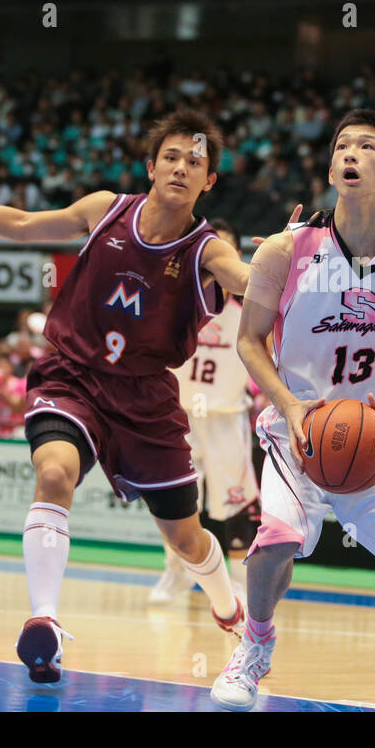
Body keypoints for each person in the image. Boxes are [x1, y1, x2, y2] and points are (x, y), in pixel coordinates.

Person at [0, 110, 282, 684]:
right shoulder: (105, 208)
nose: (181, 168)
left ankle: (226, 604)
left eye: (195, 162)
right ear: (150, 165)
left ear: (209, 180)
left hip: (146, 401)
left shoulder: (205, 249)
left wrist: (286, 258)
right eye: (171, 156)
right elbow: (18, 224)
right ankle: (44, 619)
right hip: (72, 378)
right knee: (55, 474)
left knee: (186, 537)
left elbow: (244, 279)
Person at [209, 109, 375, 712]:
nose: (349, 153)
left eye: (366, 146)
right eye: (342, 144)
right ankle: (254, 648)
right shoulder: (287, 251)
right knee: (274, 542)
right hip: (298, 431)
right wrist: (288, 405)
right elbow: (249, 340)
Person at [154, 219, 260, 603]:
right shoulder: (175, 308)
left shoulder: (251, 312)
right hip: (179, 417)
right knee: (174, 501)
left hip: (226, 417)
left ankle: (244, 586)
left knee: (234, 504)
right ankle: (175, 575)